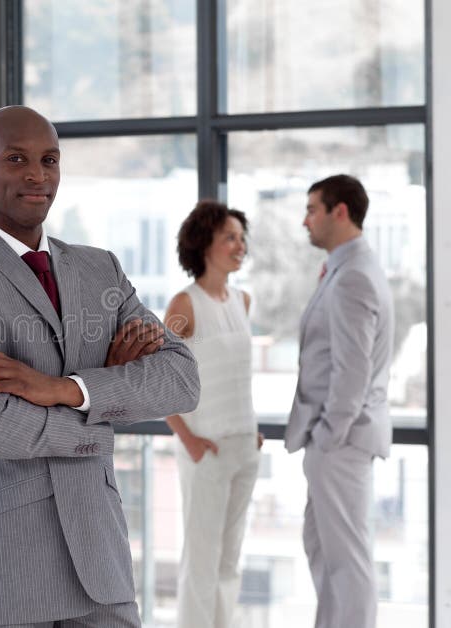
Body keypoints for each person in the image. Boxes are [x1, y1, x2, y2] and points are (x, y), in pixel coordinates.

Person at [0, 105, 201, 628]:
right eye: (16, 159)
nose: (37, 175)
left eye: (50, 160)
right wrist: (103, 419)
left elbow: (181, 378)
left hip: (101, 568)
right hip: (2, 574)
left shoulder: (99, 267)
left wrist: (64, 389)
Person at [285, 174, 394, 628]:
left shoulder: (354, 277)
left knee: (347, 562)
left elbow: (353, 371)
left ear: (340, 211)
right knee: (325, 551)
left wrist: (328, 439)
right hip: (335, 440)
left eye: (313, 209)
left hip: (341, 442)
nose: (306, 220)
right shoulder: (347, 269)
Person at [164, 200, 262, 628]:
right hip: (205, 449)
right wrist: (187, 439)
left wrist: (253, 432)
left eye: (242, 237)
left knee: (230, 560)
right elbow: (159, 378)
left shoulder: (244, 299)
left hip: (245, 446)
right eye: (230, 237)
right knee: (202, 562)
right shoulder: (185, 305)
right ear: (204, 243)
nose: (240, 246)